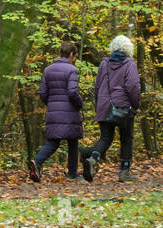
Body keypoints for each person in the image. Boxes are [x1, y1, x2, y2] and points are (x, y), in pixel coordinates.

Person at [82, 34, 141, 183]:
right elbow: (133, 87)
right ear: (128, 49)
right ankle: (124, 172)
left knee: (106, 138)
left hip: (104, 106)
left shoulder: (104, 64)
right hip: (123, 107)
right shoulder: (129, 64)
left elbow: (97, 87)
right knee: (126, 138)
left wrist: (98, 105)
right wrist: (136, 106)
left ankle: (92, 159)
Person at [28, 41, 83, 182]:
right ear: (71, 54)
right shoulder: (72, 70)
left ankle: (37, 161)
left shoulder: (48, 70)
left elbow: (43, 92)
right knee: (73, 142)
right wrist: (79, 103)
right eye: (74, 56)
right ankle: (72, 174)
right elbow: (72, 92)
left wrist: (51, 104)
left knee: (53, 142)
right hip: (69, 111)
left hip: (53, 110)